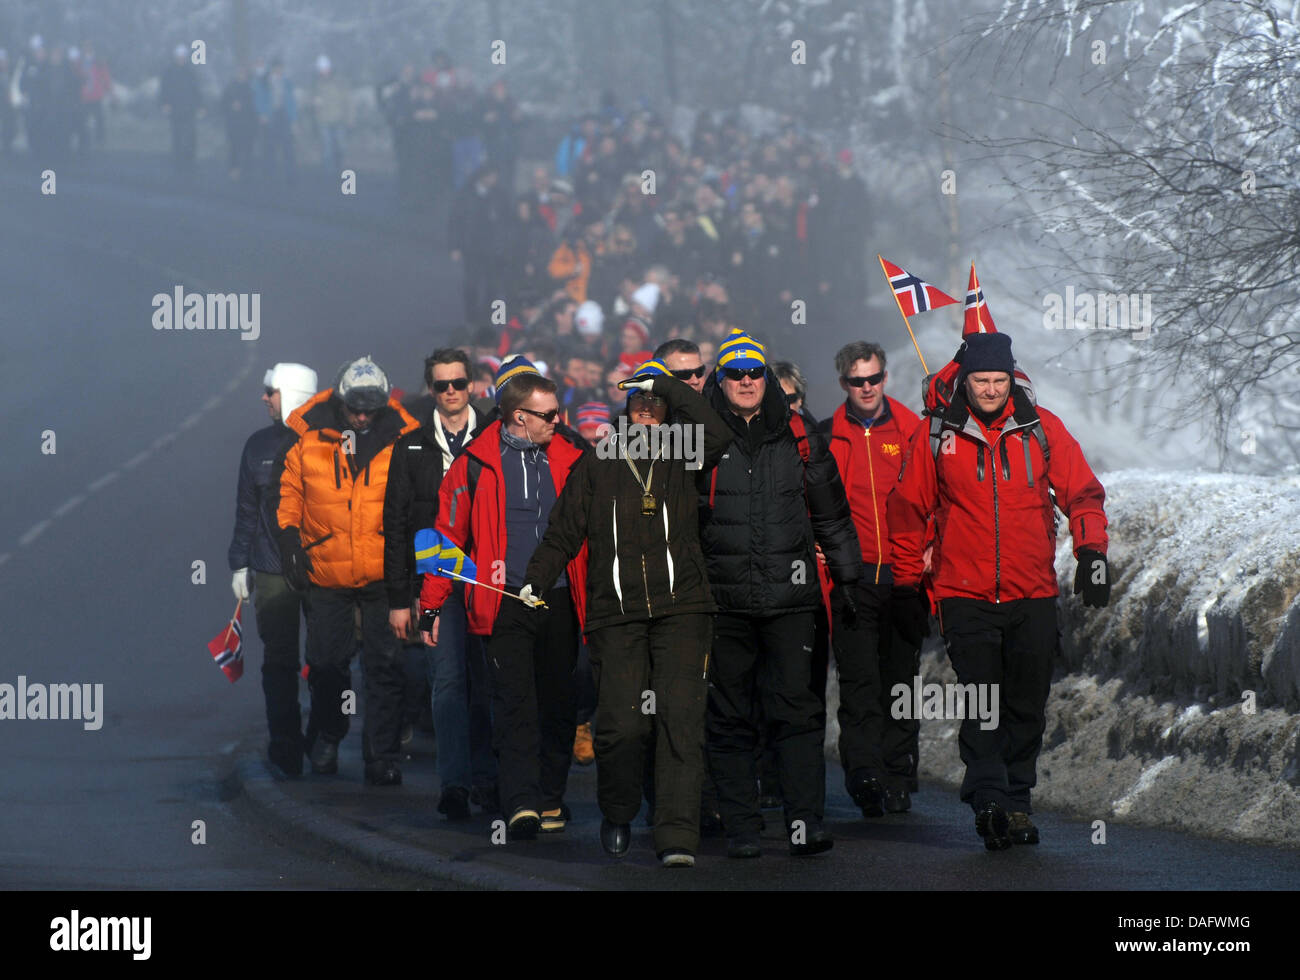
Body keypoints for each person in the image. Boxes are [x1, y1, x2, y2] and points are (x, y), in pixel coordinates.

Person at [888, 331, 1110, 849]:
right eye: (980, 380)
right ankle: (989, 796)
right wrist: (904, 586)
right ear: (964, 381)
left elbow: (1082, 493)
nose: (989, 389)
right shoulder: (937, 433)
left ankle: (1017, 802)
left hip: (1031, 590)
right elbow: (907, 511)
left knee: (1026, 702)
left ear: (1013, 379)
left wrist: (1092, 553)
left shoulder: (1040, 427)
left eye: (998, 380)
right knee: (983, 696)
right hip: (962, 592)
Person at [520, 359, 732, 866]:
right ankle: (618, 808)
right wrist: (534, 579)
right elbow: (564, 529)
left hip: (684, 606)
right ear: (625, 407)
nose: (646, 408)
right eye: (637, 399)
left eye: (655, 400)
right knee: (621, 725)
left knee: (680, 720)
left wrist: (666, 385)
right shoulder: (599, 459)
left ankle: (677, 837)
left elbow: (720, 434)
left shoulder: (687, 453)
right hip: (616, 612)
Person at [698, 329, 862, 858]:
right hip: (722, 603)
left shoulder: (799, 433)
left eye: (754, 371)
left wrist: (849, 577)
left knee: (796, 711)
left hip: (792, 601)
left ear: (766, 377)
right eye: (734, 373)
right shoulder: (697, 439)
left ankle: (804, 823)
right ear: (719, 380)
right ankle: (743, 828)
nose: (745, 381)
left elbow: (831, 512)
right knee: (728, 717)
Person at [418, 356, 589, 840]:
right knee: (515, 705)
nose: (559, 421)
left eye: (558, 413)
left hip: (560, 598)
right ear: (519, 416)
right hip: (502, 599)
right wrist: (431, 605)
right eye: (549, 415)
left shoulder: (572, 456)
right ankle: (521, 803)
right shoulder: (474, 464)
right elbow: (445, 538)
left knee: (559, 704)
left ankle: (551, 797)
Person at [272, 356, 419, 785]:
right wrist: (289, 541)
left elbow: (415, 504)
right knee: (326, 663)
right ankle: (329, 734)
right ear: (340, 402)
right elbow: (289, 492)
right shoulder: (307, 435)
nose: (361, 416)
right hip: (326, 570)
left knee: (385, 664)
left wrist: (412, 567)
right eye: (355, 408)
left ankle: (382, 754)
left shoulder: (403, 438)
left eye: (370, 409)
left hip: (382, 572)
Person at [384, 349, 496, 818]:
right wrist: (398, 600)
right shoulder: (409, 446)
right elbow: (393, 525)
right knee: (447, 682)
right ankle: (454, 784)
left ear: (472, 385)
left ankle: (489, 782)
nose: (450, 392)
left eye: (458, 383)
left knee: (489, 683)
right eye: (440, 384)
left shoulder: (496, 434)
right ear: (429, 389)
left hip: (488, 580)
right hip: (436, 585)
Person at [817, 341, 924, 817]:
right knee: (860, 682)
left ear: (885, 378)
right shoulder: (826, 437)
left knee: (899, 682)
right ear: (844, 384)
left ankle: (899, 773)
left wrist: (931, 548)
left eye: (874, 378)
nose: (867, 387)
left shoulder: (912, 430)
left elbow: (937, 497)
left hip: (904, 577)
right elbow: (809, 502)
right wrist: (814, 542)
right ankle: (864, 774)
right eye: (858, 381)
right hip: (852, 578)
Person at [228, 363, 319, 775]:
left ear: (293, 393)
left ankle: (320, 738)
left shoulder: (330, 442)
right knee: (280, 660)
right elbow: (246, 511)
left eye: (272, 391)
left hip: (323, 571)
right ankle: (285, 745)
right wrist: (239, 565)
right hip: (270, 569)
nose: (264, 398)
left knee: (327, 658)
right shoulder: (256, 446)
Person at [159, 44, 201, 172]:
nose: (180, 59)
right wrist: (164, 103)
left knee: (190, 134)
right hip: (175, 108)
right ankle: (177, 160)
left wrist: (201, 105)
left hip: (189, 108)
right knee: (176, 134)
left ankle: (190, 159)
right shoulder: (169, 72)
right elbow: (164, 90)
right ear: (175, 58)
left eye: (183, 57)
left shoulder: (191, 72)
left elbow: (197, 90)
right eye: (178, 57)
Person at [220, 65, 258, 180]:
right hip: (233, 122)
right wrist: (231, 106)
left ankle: (247, 170)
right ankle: (234, 169)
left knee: (248, 147)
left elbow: (254, 104)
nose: (241, 75)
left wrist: (243, 106)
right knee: (234, 147)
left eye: (243, 73)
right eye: (240, 73)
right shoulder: (230, 87)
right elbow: (222, 103)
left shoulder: (250, 87)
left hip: (247, 122)